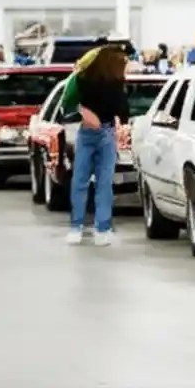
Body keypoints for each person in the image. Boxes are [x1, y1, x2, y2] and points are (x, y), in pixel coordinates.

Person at [65, 46, 130, 247]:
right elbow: (123, 109)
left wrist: (81, 111)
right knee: (103, 183)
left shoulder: (83, 79)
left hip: (88, 132)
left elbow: (68, 103)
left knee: (80, 181)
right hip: (106, 132)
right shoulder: (116, 83)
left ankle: (77, 227)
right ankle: (101, 229)